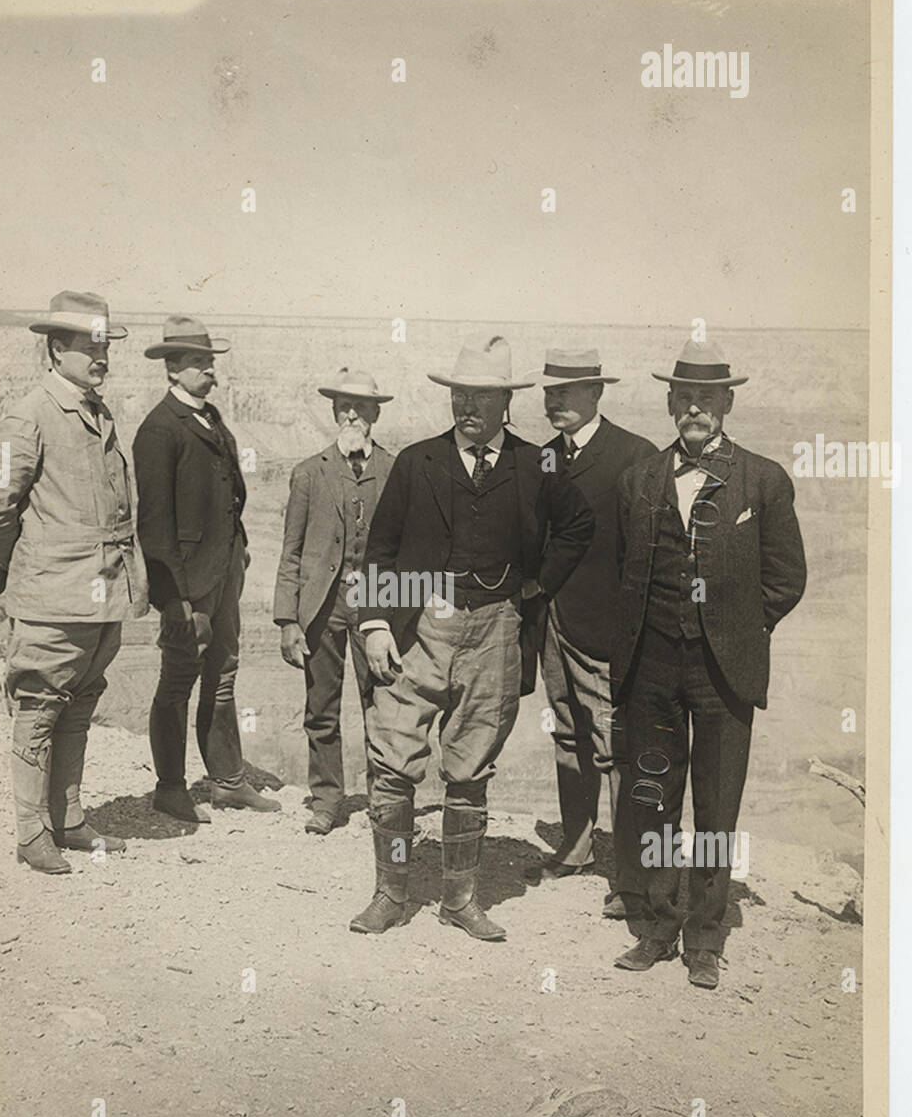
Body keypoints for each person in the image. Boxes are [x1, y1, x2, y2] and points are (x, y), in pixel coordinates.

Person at [351, 333, 595, 941]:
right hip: (419, 624)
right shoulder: (417, 462)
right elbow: (377, 549)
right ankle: (390, 892)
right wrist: (377, 624)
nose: (469, 407)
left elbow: (578, 524)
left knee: (471, 763)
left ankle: (460, 899)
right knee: (394, 760)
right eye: (461, 394)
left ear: (504, 403)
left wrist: (536, 587)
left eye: (482, 397)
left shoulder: (535, 463)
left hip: (496, 630)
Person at [611, 339, 806, 988]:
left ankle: (706, 937)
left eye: (707, 399)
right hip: (653, 667)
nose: (694, 409)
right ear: (670, 402)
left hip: (725, 673)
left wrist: (740, 632)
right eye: (684, 397)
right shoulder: (638, 479)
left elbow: (786, 577)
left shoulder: (763, 480)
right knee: (655, 799)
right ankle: (660, 927)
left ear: (726, 403)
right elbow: (624, 568)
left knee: (715, 808)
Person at [0, 290, 148, 874]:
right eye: (89, 345)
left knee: (81, 703)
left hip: (102, 592)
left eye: (105, 344)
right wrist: (27, 563)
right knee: (41, 705)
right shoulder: (31, 414)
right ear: (56, 348)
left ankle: (68, 818)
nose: (101, 356)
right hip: (53, 594)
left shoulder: (96, 410)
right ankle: (31, 832)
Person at [133, 314, 280, 822]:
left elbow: (230, 492)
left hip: (224, 574)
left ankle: (228, 782)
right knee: (178, 681)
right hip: (187, 583)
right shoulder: (158, 429)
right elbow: (154, 525)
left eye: (211, 362)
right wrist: (174, 598)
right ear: (172, 368)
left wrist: (237, 547)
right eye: (199, 363)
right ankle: (170, 788)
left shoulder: (210, 417)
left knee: (223, 677)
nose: (210, 371)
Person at [532, 348, 657, 914]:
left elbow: (649, 555)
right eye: (549, 391)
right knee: (567, 733)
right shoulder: (543, 459)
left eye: (567, 391)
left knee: (615, 746)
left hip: (607, 629)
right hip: (552, 624)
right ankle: (577, 846)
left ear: (596, 394)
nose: (553, 400)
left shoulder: (635, 457)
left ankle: (631, 879)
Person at [273, 369, 395, 834]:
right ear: (332, 411)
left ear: (376, 413)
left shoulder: (394, 469)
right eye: (345, 405)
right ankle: (326, 799)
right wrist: (288, 619)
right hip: (322, 606)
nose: (352, 414)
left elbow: (403, 551)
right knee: (321, 706)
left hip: (377, 607)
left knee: (381, 703)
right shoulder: (308, 473)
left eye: (362, 407)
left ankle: (384, 797)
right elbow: (292, 550)